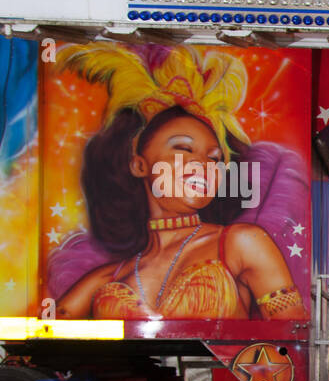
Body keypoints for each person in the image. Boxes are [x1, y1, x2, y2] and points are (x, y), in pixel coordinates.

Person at [51, 44, 307, 321]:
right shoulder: (107, 278)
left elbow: (290, 341)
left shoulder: (241, 243)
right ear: (139, 164)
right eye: (183, 149)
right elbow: (40, 345)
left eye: (214, 158)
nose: (203, 166)